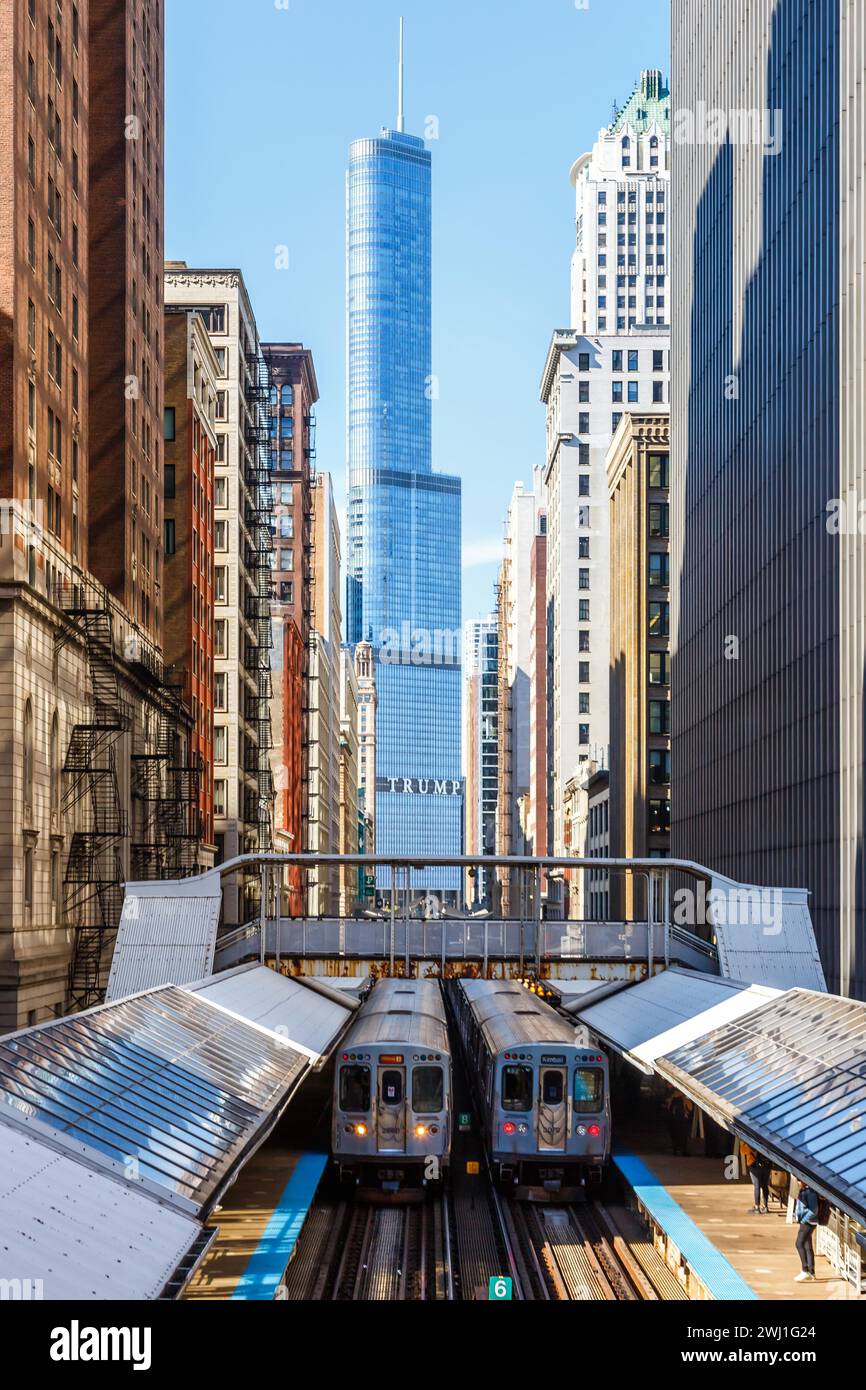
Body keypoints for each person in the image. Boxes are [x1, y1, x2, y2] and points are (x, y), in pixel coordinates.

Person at [793, 1182, 819, 1282]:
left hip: (808, 1222)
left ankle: (805, 1270)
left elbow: (814, 1210)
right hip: (807, 1221)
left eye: (799, 1181)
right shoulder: (804, 1191)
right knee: (808, 1246)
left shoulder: (809, 1192)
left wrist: (804, 1220)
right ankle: (812, 1272)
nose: (798, 1183)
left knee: (799, 1244)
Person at [740, 1141, 771, 1213]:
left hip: (754, 1166)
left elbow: (743, 1151)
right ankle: (765, 1207)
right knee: (765, 1186)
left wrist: (743, 1142)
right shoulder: (765, 1140)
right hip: (766, 1165)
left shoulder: (748, 1142)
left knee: (757, 1186)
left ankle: (757, 1207)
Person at [666, 1091, 692, 1156]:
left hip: (674, 1120)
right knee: (683, 1136)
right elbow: (690, 1108)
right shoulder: (684, 1098)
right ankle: (683, 1151)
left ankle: (675, 1151)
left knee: (675, 1136)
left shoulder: (672, 1098)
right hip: (682, 1120)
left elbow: (669, 1108)